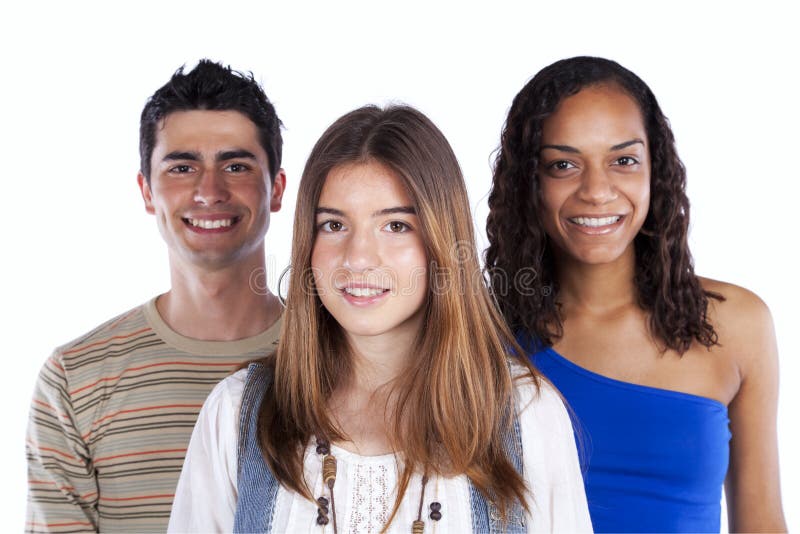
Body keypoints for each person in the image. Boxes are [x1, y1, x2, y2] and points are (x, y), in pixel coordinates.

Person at [168, 105, 591, 533]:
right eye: (333, 225)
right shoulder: (237, 412)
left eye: (395, 226)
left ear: (442, 242)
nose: (358, 258)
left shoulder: (526, 415)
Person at [485, 56, 786, 532]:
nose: (597, 191)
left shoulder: (737, 325)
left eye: (623, 161)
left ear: (654, 169)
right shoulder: (485, 333)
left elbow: (762, 522)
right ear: (530, 182)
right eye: (563, 165)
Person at [25, 60, 286, 533]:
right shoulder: (75, 380)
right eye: (182, 167)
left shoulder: (344, 356)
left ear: (277, 189)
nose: (210, 191)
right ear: (147, 191)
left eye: (236, 166)